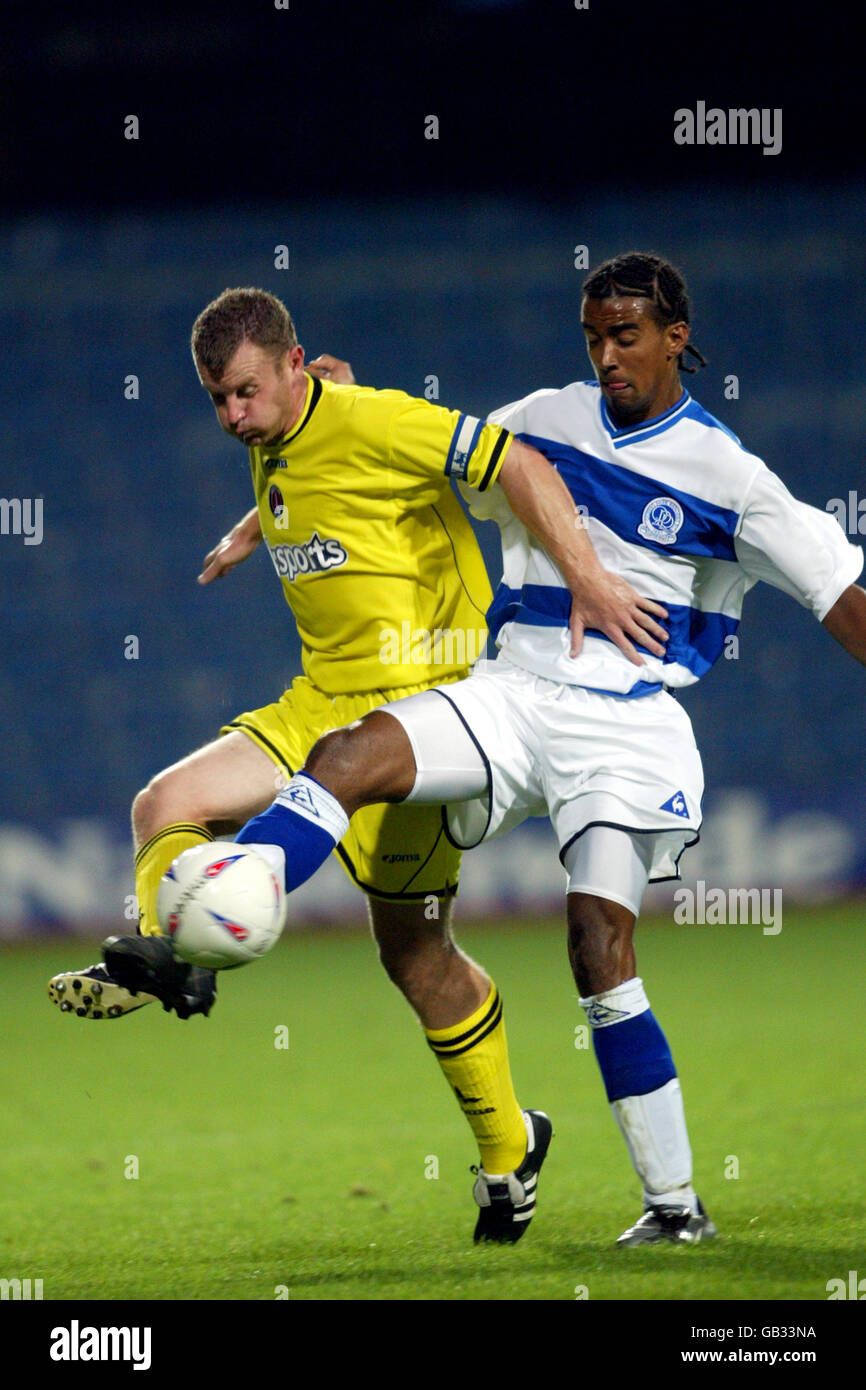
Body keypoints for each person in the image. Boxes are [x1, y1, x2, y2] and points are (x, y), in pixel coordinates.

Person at [211, 253, 866, 1245]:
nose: (605, 355)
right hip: (512, 693)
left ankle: (671, 1207)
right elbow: (392, 455)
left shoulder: (730, 479)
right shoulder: (539, 418)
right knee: (349, 754)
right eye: (593, 335)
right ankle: (244, 883)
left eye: (627, 336)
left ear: (675, 337)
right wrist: (321, 419)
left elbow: (840, 601)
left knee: (596, 949)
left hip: (627, 726)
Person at [47, 285, 668, 1244]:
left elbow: (521, 463)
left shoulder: (379, 421)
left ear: (293, 364)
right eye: (216, 400)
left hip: (420, 723)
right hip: (318, 705)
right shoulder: (283, 425)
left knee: (415, 957)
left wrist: (588, 577)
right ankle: (172, 958)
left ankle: (510, 1150)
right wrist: (260, 519)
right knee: (162, 803)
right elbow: (311, 437)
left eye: (246, 393)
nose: (232, 417)